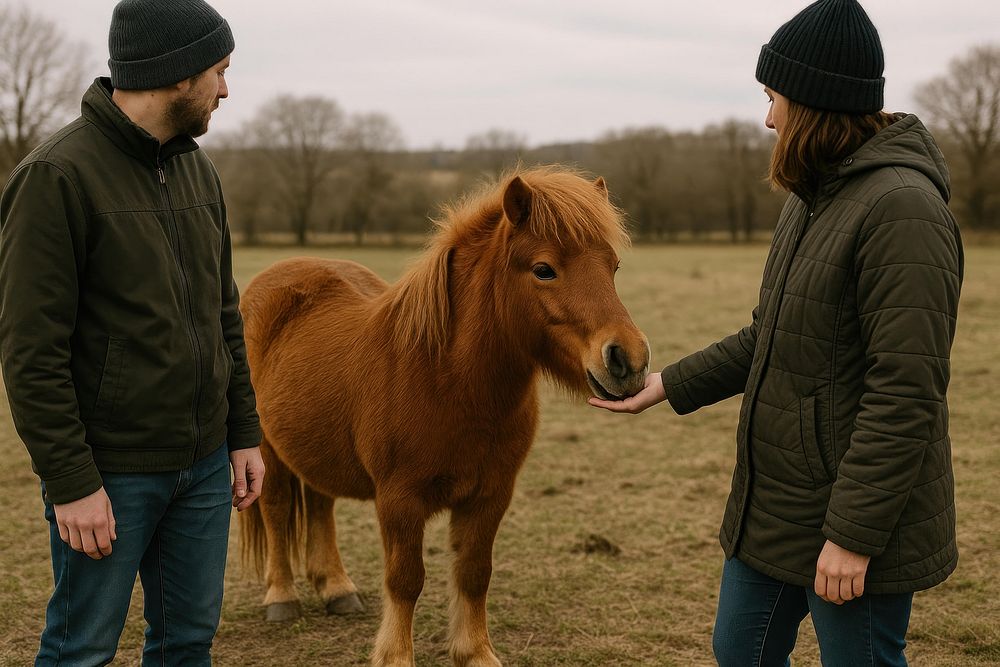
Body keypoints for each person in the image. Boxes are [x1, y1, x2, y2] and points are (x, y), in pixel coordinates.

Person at [590, 0, 963, 664]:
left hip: (855, 520)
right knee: (740, 651)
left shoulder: (903, 208)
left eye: (774, 98)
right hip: (779, 505)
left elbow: (905, 394)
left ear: (815, 102)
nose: (768, 118)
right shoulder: (811, 198)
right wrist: (667, 385)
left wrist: (853, 535)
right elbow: (772, 334)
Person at [0, 0, 265, 664]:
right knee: (81, 649)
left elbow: (222, 314)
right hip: (109, 475)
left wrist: (242, 433)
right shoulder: (55, 176)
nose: (226, 88)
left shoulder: (197, 170)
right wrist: (71, 482)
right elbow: (31, 353)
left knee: (187, 642)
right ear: (179, 74)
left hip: (204, 468)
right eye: (220, 70)